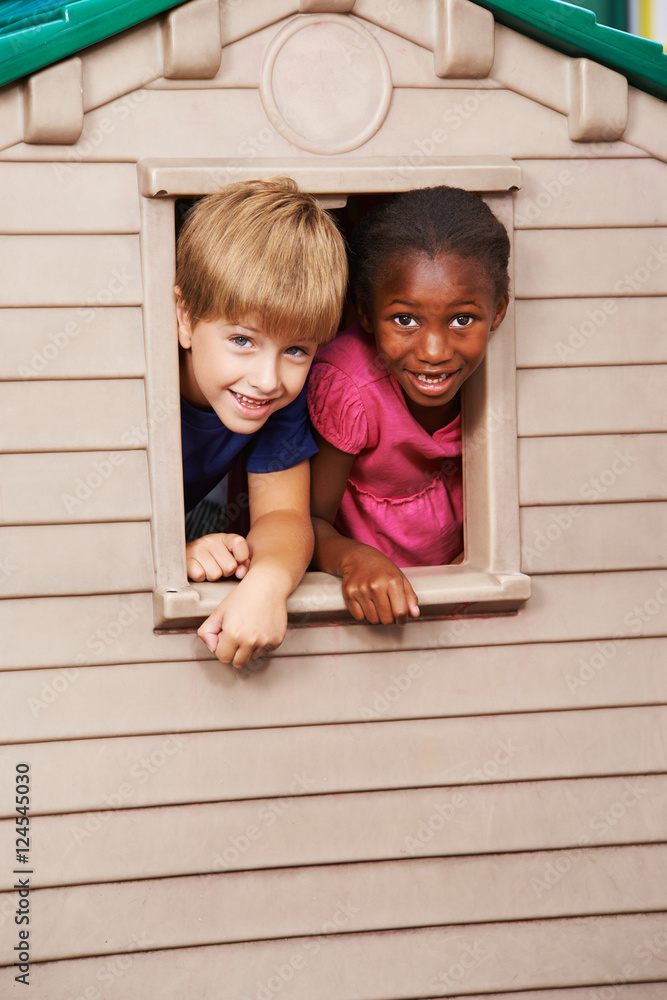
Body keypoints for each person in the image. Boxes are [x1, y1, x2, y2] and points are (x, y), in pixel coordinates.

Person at [307, 185, 510, 627]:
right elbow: (308, 520)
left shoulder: (504, 379)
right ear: (364, 312)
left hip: (459, 591)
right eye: (405, 320)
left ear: (498, 313)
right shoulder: (349, 388)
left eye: (462, 319)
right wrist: (354, 561)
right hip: (365, 599)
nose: (434, 350)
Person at [176, 178, 347, 668]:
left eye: (297, 349)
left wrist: (268, 584)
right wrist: (172, 553)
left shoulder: (277, 399)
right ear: (185, 316)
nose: (268, 379)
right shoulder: (135, 384)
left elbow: (283, 517)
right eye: (243, 341)